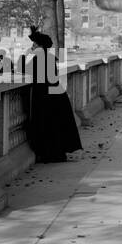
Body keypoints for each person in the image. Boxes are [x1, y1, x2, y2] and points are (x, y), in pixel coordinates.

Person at [25, 28, 83, 163]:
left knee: (48, 124)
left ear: (40, 46)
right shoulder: (49, 57)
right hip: (55, 96)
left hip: (47, 98)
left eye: (34, 45)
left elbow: (26, 71)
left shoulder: (39, 58)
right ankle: (56, 153)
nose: (32, 47)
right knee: (56, 125)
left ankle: (51, 154)